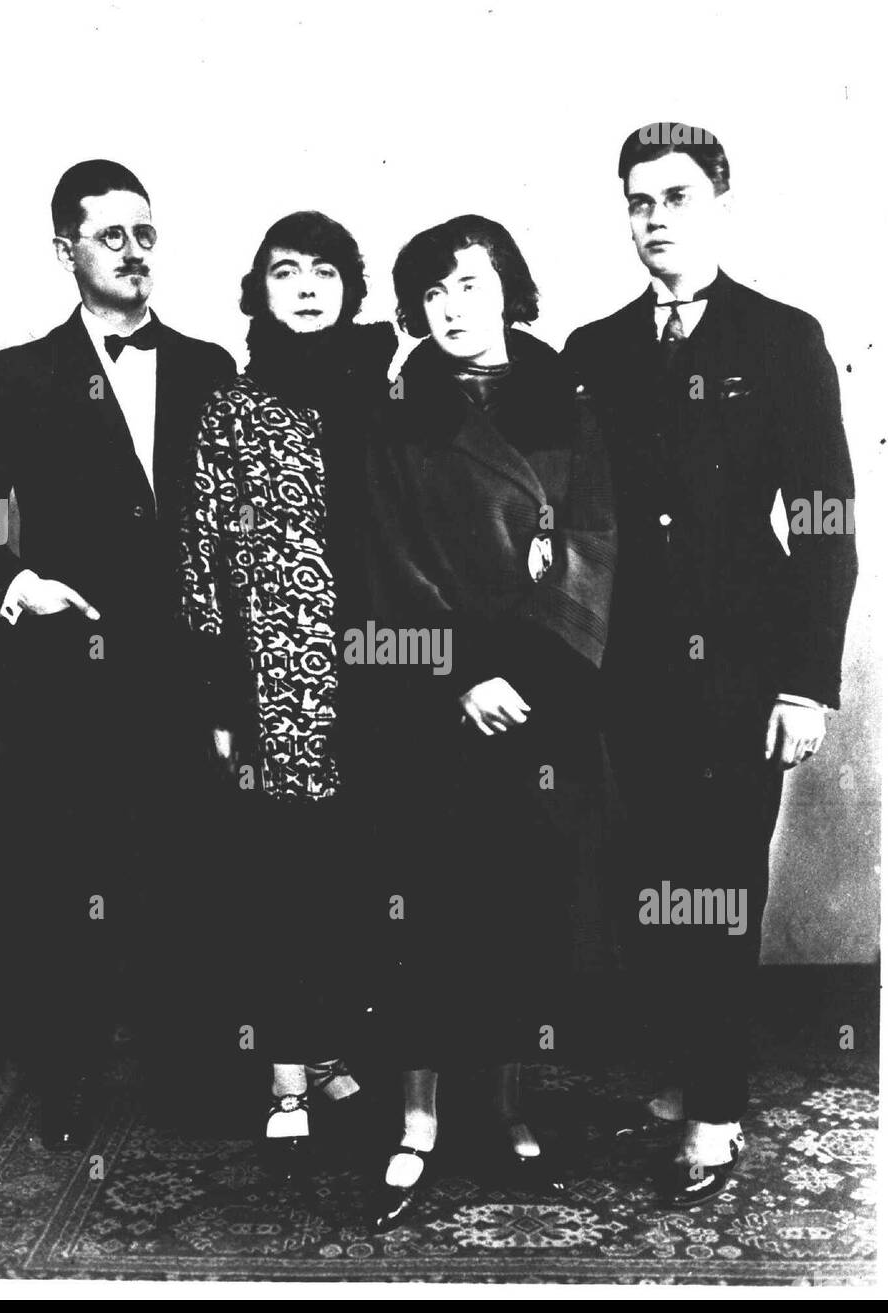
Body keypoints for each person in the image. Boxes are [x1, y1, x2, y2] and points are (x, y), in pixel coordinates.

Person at [563, 125, 858, 1206]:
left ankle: (718, 1112)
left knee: (722, 885)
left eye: (676, 197)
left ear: (720, 202)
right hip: (626, 668)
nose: (655, 219)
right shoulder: (593, 350)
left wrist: (807, 681)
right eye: (638, 200)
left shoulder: (782, 337)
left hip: (746, 668)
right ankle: (685, 1072)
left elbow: (825, 515)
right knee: (650, 883)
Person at [0, 160, 236, 1149]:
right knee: (66, 882)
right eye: (111, 235)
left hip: (181, 677)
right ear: (64, 252)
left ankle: (192, 1081)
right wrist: (17, 585)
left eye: (146, 233)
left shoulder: (210, 366)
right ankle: (66, 1084)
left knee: (185, 878)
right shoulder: (17, 376)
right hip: (67, 682)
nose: (134, 253)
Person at [363, 215, 616, 1230]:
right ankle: (416, 1122)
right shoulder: (399, 416)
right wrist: (463, 674)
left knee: (527, 902)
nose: (452, 309)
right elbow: (386, 563)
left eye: (468, 285)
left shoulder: (569, 400)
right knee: (429, 905)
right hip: (439, 701)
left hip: (542, 700)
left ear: (508, 287)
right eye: (432, 294)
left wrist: (530, 672)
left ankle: (508, 1106)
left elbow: (598, 541)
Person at [179, 211, 396, 1164]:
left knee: (359, 877)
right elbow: (202, 564)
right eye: (284, 273)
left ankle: (333, 1047)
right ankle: (284, 1076)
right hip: (277, 684)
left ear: (351, 288)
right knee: (280, 881)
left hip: (384, 677)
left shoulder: (387, 394)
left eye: (325, 273)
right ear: (258, 293)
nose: (306, 288)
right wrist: (229, 703)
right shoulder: (232, 407)